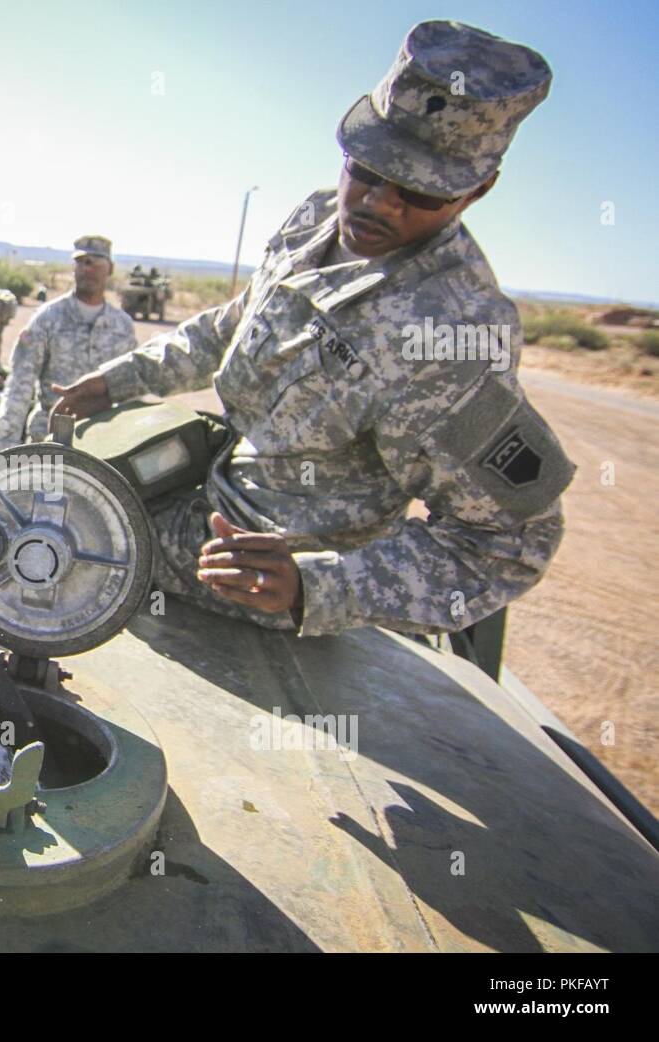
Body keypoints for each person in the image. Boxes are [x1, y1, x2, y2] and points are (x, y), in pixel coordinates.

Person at [52, 21, 573, 638]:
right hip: (200, 488)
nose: (378, 202)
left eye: (417, 191)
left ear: (476, 190)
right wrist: (119, 379)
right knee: (49, 482)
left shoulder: (453, 335)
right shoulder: (316, 219)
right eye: (368, 168)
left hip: (249, 576)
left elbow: (513, 540)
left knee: (45, 537)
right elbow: (235, 323)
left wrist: (320, 586)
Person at [0, 235, 136, 444]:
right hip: (49, 439)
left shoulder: (122, 326)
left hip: (103, 442)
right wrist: (5, 446)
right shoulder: (47, 318)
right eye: (82, 262)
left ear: (111, 268)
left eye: (96, 262)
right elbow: (18, 387)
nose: (88, 268)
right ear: (73, 267)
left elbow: (130, 390)